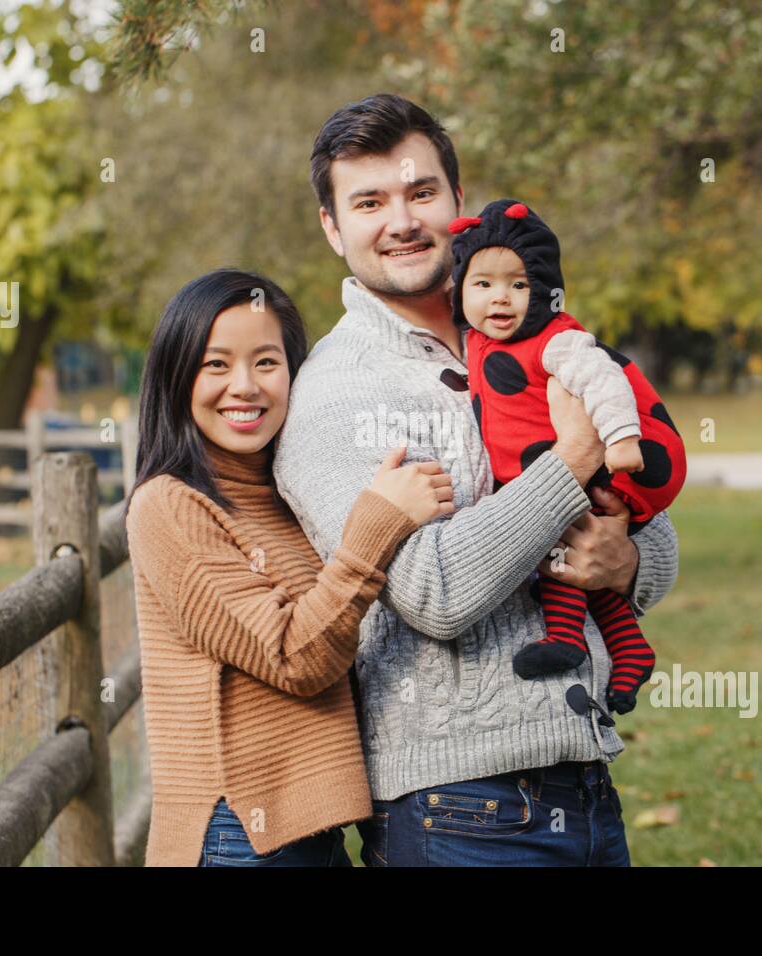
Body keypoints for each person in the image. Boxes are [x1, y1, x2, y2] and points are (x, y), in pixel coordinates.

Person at [272, 94, 680, 866]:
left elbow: (655, 530)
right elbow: (434, 594)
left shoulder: (531, 334)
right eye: (369, 202)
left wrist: (627, 564)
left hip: (586, 781)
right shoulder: (331, 397)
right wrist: (573, 457)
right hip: (456, 811)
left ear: (457, 202)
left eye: (421, 192)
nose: (402, 220)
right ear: (332, 227)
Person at [124, 268, 453, 866]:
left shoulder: (286, 494)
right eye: (215, 364)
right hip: (240, 836)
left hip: (309, 833)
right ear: (176, 377)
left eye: (266, 362)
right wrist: (375, 525)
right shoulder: (169, 506)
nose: (244, 386)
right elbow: (294, 657)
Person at [449, 197, 687, 715]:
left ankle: (566, 639)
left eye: (518, 285)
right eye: (482, 285)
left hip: (598, 471)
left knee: (555, 549)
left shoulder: (556, 342)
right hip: (549, 474)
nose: (501, 299)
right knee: (578, 557)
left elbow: (603, 380)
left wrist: (622, 439)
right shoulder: (477, 343)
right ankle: (631, 650)